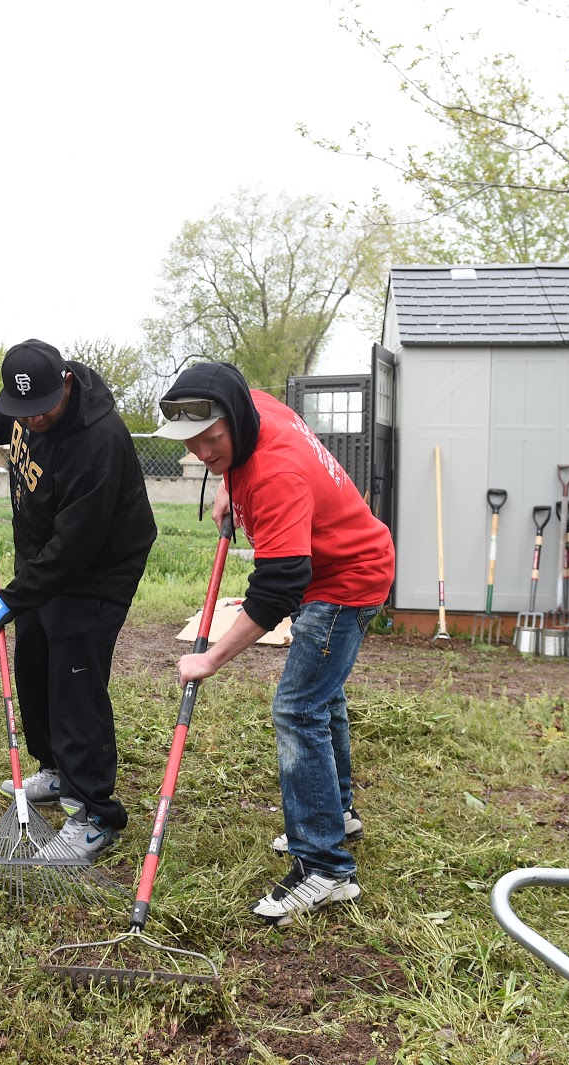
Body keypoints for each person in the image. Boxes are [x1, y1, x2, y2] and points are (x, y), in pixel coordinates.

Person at [154, 361, 393, 925]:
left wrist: (211, 657)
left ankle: (325, 868)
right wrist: (227, 487)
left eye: (212, 440)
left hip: (344, 581)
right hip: (339, 564)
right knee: (322, 698)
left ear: (234, 421)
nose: (202, 452)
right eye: (191, 442)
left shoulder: (273, 476)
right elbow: (237, 453)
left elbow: (276, 589)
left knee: (297, 708)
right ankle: (336, 814)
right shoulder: (254, 406)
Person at [0, 339, 157, 861]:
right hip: (42, 557)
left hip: (96, 569)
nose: (33, 419)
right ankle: (55, 770)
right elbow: (9, 413)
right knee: (34, 664)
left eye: (43, 409)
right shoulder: (31, 405)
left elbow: (76, 546)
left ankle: (96, 813)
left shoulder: (98, 441)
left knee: (74, 681)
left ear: (66, 383)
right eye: (23, 410)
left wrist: (13, 595)